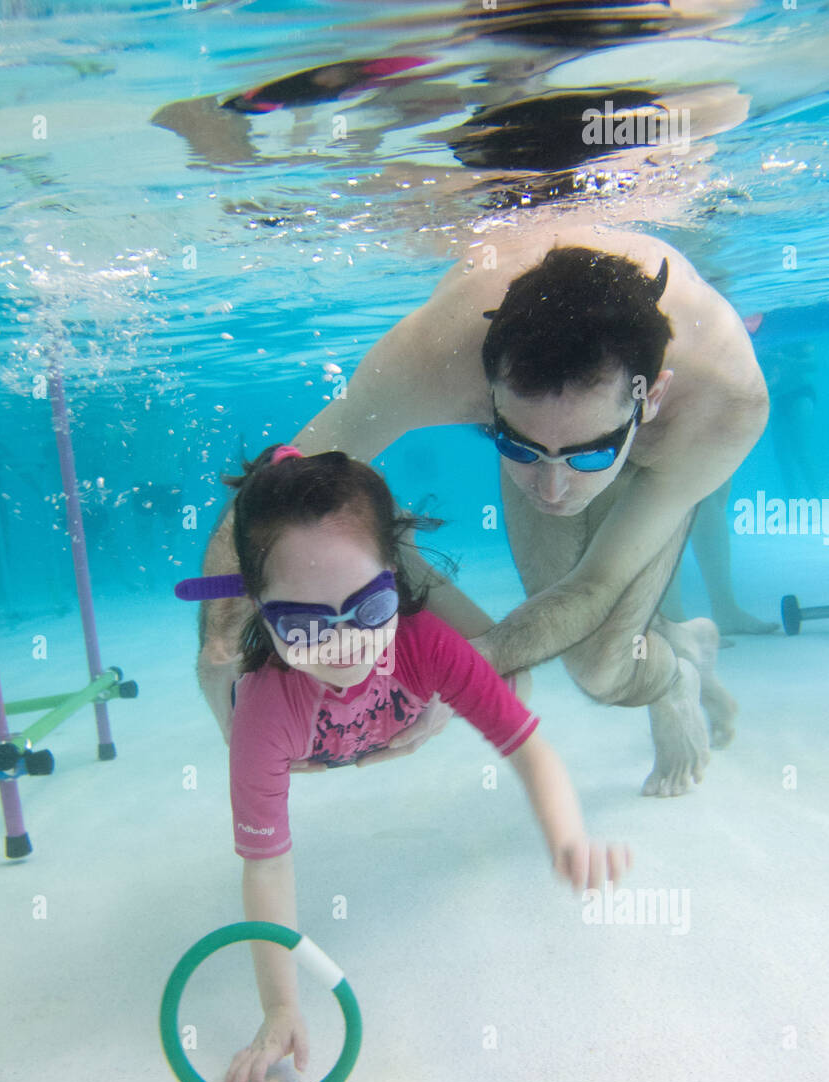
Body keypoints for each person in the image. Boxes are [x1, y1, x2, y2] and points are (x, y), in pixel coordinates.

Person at [197, 226, 770, 797]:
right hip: (560, 408)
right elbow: (283, 472)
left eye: (588, 453)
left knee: (599, 667)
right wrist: (218, 643)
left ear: (654, 394)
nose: (551, 490)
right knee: (583, 637)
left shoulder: (727, 405)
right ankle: (673, 631)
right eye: (517, 444)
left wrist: (462, 678)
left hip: (676, 442)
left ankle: (672, 677)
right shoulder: (434, 356)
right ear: (488, 392)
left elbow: (597, 584)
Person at [179, 444, 631, 1082]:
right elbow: (267, 864)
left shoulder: (424, 645)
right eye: (302, 624)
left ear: (392, 580)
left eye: (366, 609)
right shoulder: (263, 712)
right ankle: (256, 598)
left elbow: (526, 744)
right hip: (269, 693)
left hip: (391, 661)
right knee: (216, 657)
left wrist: (569, 838)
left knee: (512, 678)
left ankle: (342, 552)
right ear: (266, 616)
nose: (342, 645)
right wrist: (281, 1008)